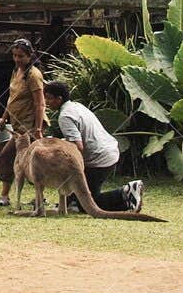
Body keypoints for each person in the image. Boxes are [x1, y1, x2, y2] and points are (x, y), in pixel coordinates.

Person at [44, 80, 144, 213]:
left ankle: (126, 193)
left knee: (87, 203)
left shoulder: (65, 116)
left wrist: (56, 149)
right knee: (78, 191)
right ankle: (70, 202)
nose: (46, 102)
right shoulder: (76, 106)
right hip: (109, 150)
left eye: (49, 98)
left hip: (99, 159)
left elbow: (77, 147)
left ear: (59, 98)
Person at [0, 38, 46, 207]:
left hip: (29, 125)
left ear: (30, 56)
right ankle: (34, 196)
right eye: (14, 55)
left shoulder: (34, 75)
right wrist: (4, 117)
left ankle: (5, 196)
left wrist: (37, 128)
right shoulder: (16, 71)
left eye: (21, 56)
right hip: (16, 124)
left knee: (10, 157)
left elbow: (40, 103)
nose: (17, 59)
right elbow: (12, 98)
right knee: (17, 160)